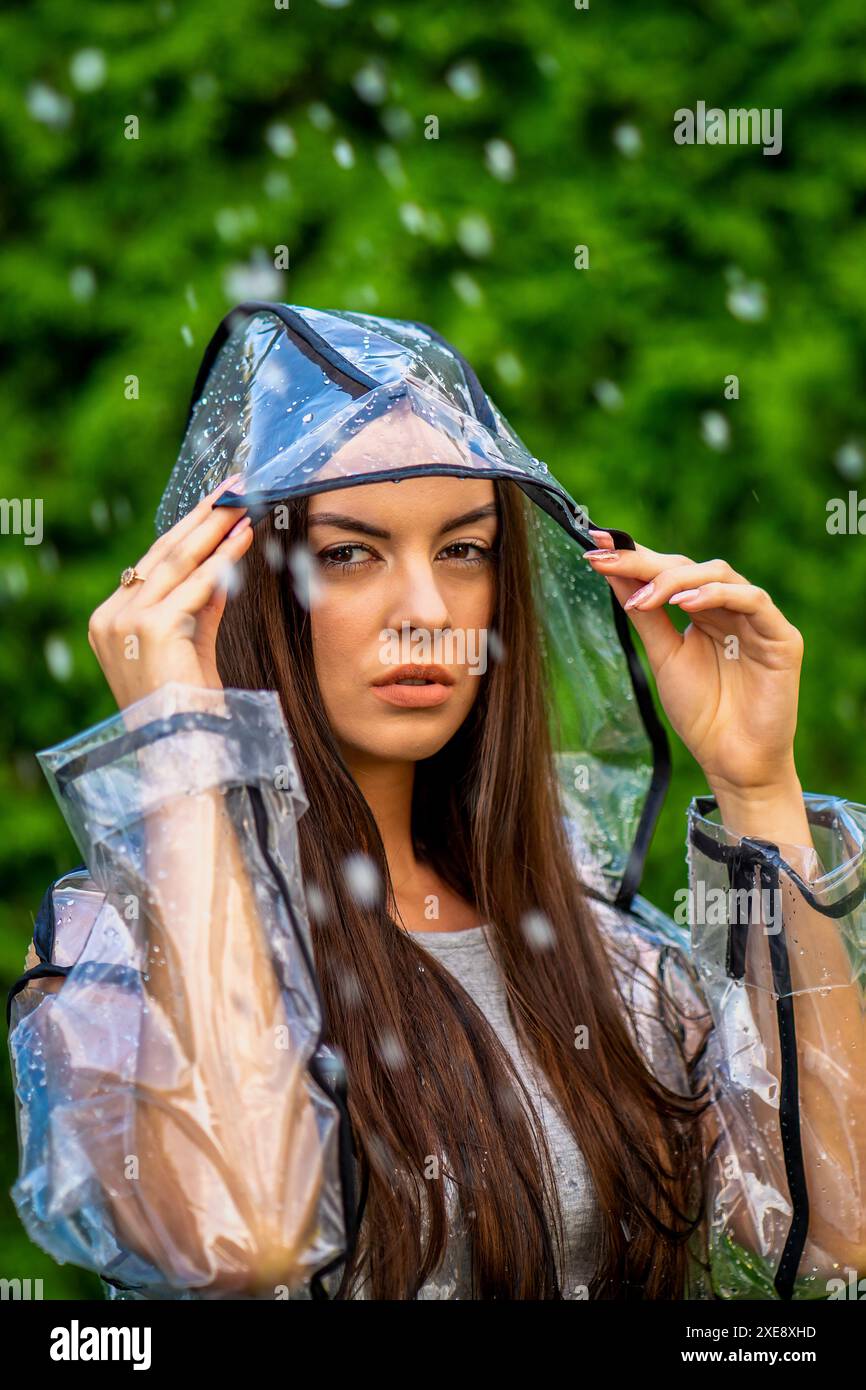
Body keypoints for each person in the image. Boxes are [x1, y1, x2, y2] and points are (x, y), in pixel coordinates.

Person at [7, 305, 865, 1301]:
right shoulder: (121, 950)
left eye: (462, 550)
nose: (425, 609)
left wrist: (758, 788)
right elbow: (242, 1237)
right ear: (233, 590)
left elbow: (829, 1234)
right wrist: (185, 751)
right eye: (349, 553)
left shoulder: (607, 957)